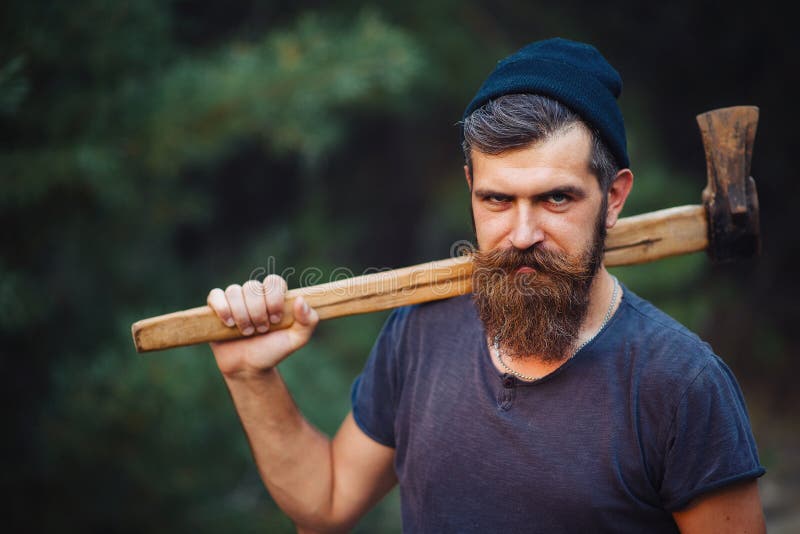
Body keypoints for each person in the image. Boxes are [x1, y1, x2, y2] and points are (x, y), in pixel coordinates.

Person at [206, 38, 766, 532]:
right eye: (497, 199)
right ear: (471, 185)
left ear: (614, 196)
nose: (521, 234)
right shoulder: (420, 332)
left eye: (556, 198)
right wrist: (250, 375)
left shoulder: (680, 383)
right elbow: (326, 504)